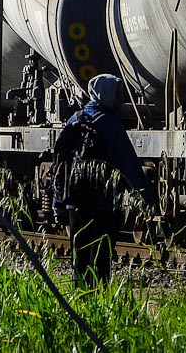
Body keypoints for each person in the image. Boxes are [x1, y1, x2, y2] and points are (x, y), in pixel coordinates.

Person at [58, 73, 155, 287]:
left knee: (79, 259)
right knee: (101, 260)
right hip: (104, 205)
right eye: (119, 94)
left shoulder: (75, 119)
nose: (121, 99)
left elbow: (61, 162)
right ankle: (99, 304)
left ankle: (80, 299)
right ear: (107, 95)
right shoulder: (111, 125)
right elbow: (130, 166)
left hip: (76, 203)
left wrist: (59, 203)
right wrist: (147, 200)